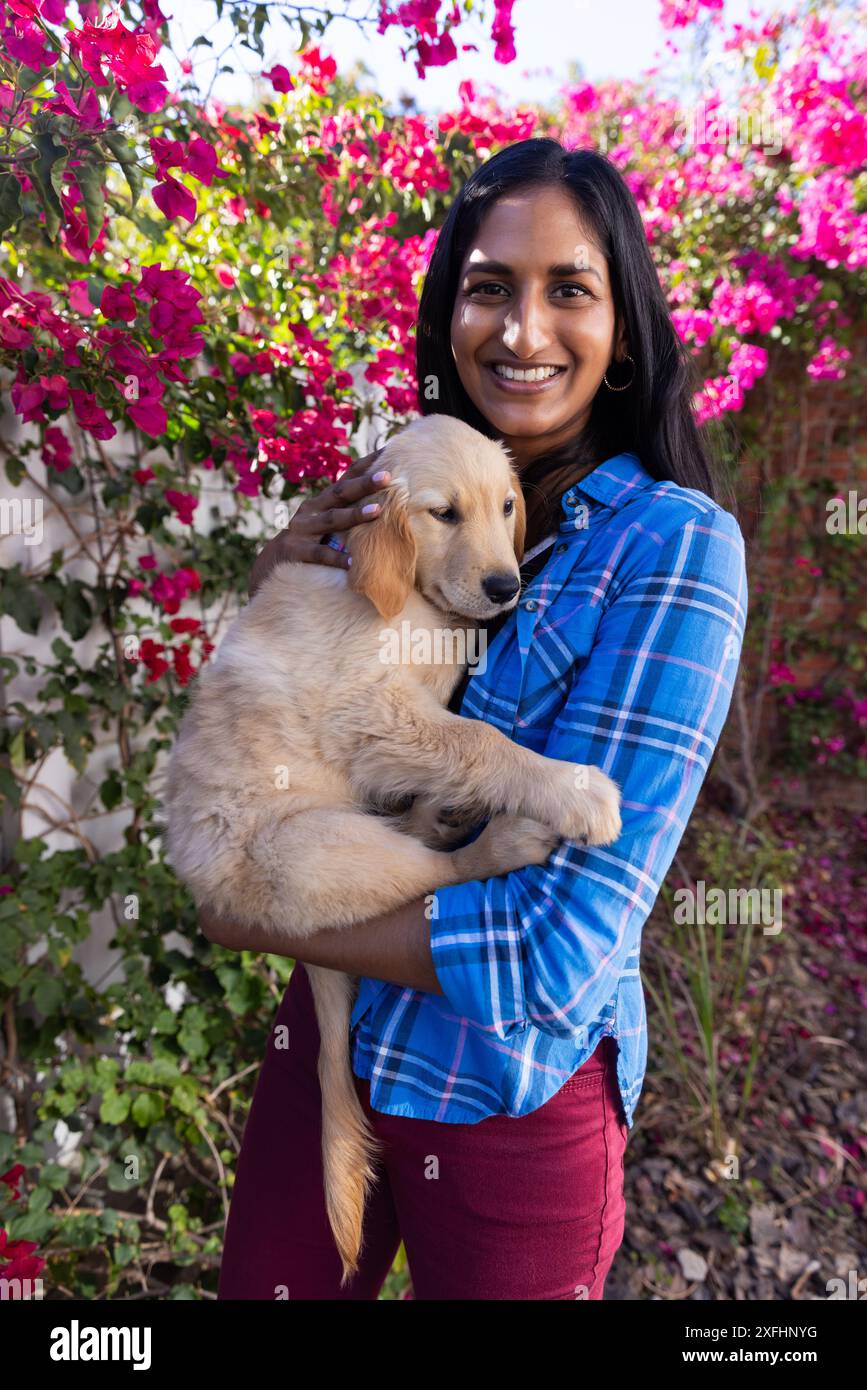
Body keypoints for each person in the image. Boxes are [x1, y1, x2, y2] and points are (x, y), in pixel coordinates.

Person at [205, 138, 748, 1300]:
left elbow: (556, 956)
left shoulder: (672, 546)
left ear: (623, 327)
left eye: (569, 289)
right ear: (449, 308)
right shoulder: (401, 487)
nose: (521, 329)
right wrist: (277, 589)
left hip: (508, 1096)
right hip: (335, 1055)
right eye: (489, 286)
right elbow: (296, 727)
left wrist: (263, 916)